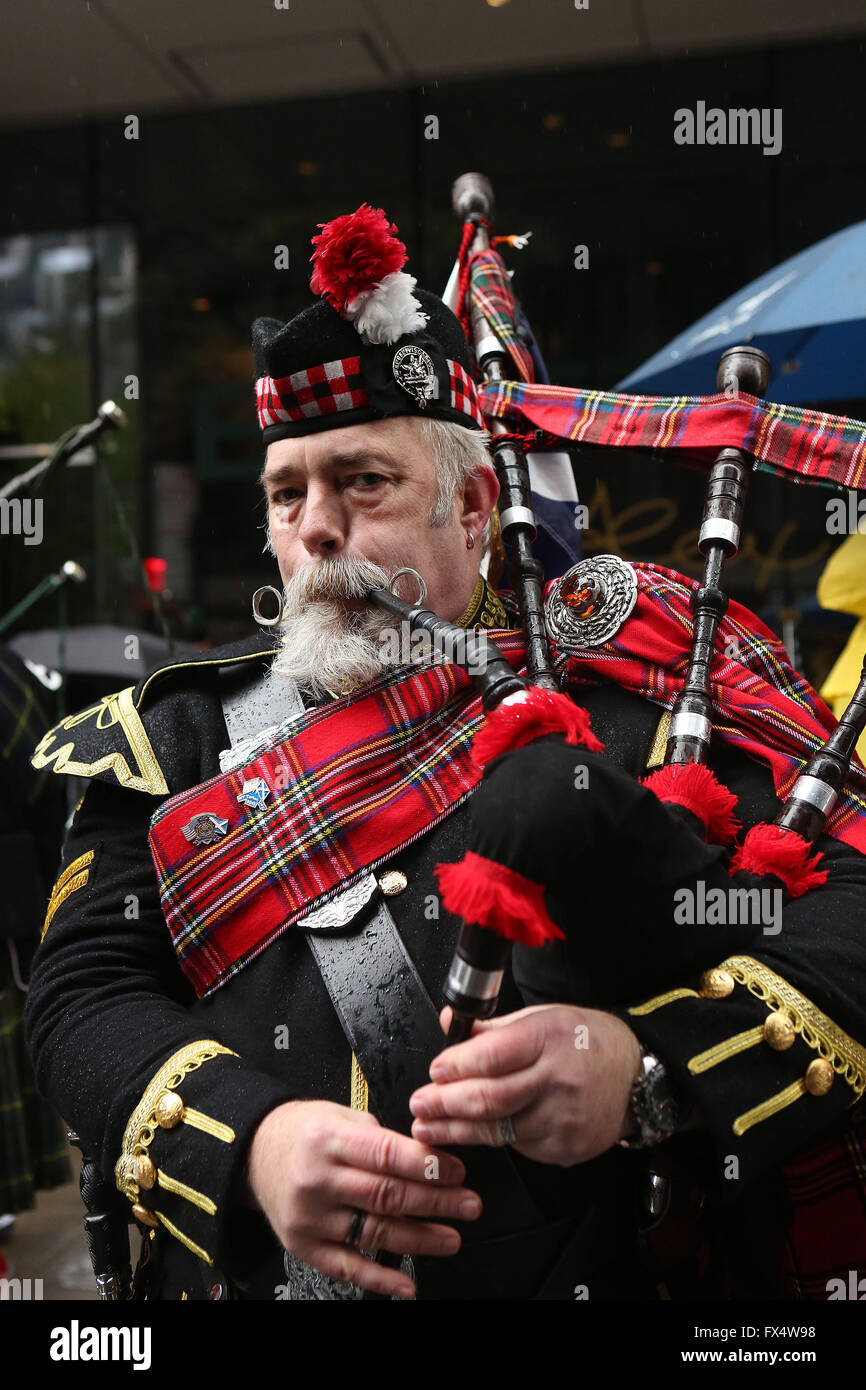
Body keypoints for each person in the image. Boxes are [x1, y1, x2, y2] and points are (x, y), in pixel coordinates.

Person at [25, 206, 866, 1300]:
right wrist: (256, 1140)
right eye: (288, 494)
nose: (316, 527)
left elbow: (843, 902)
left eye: (361, 481)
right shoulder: (174, 732)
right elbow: (78, 996)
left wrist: (645, 1068)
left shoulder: (631, 684)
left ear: (472, 506)